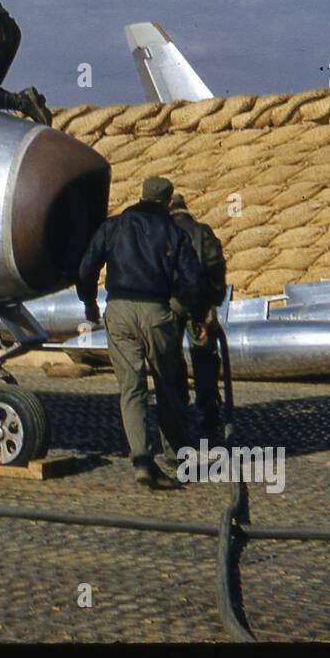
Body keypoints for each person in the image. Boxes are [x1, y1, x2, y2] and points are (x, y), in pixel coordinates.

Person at [77, 176, 206, 491]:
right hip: (156, 314)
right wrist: (188, 312)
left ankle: (142, 462)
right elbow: (193, 280)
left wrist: (89, 301)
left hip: (118, 311)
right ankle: (176, 456)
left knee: (131, 389)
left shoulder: (114, 226)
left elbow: (87, 266)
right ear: (168, 201)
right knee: (168, 383)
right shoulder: (173, 233)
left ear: (142, 195)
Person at [169, 193, 228, 439]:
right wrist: (212, 303)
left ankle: (178, 406)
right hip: (200, 304)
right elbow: (216, 267)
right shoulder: (203, 232)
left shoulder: (163, 232)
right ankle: (207, 409)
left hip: (170, 302)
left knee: (170, 356)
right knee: (204, 357)